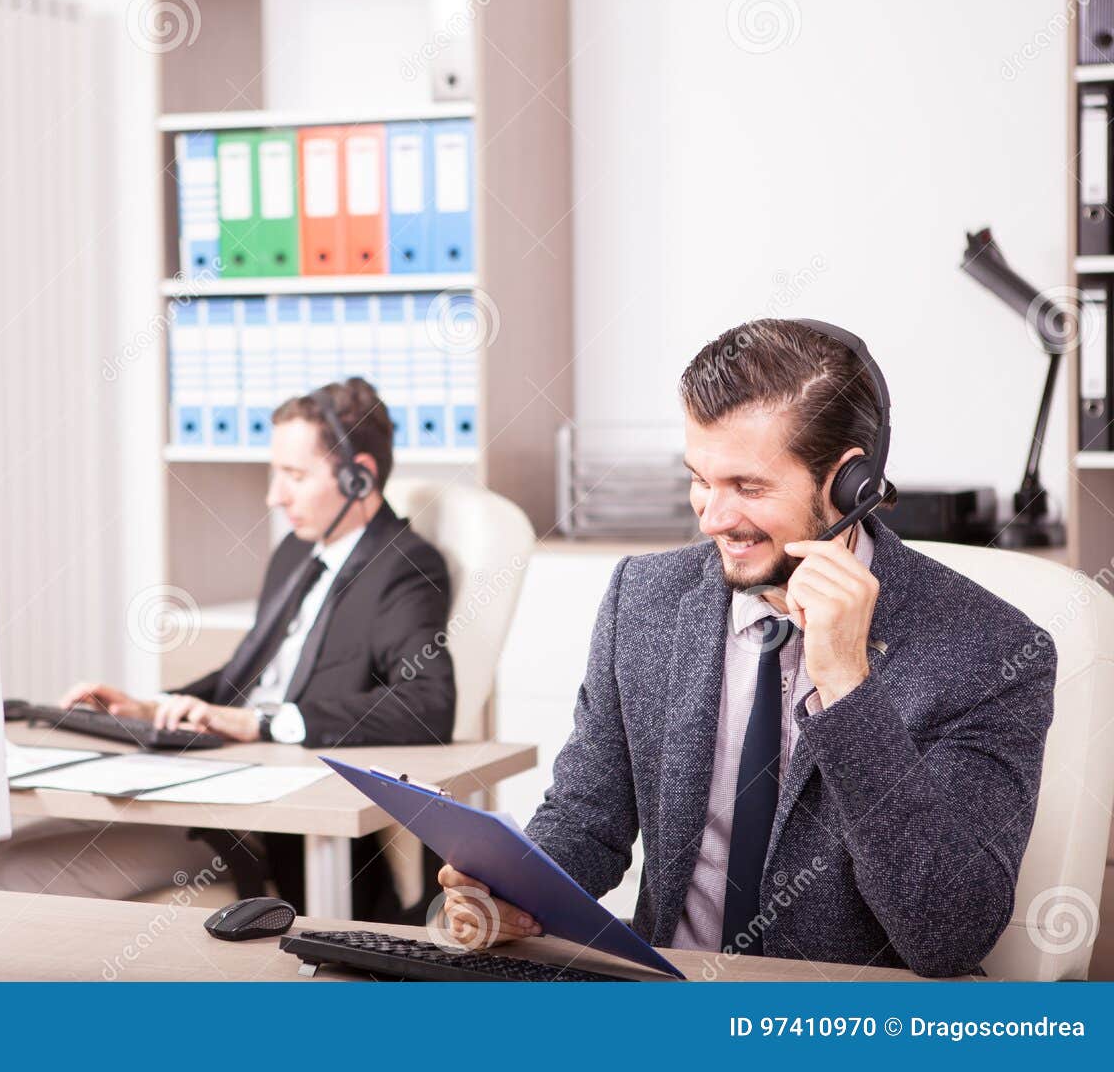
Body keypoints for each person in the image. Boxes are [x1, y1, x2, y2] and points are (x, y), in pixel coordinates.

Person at [438, 318, 1055, 978]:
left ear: (851, 483)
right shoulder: (642, 599)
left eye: (747, 486)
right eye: (700, 478)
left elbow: (950, 932)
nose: (710, 516)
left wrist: (849, 687)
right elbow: (589, 818)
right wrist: (513, 893)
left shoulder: (991, 651)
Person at [0, 377, 456, 917]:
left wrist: (262, 723)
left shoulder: (403, 567)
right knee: (10, 851)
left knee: (18, 871)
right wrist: (151, 708)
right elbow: (244, 676)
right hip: (220, 790)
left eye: (294, 476)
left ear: (359, 477)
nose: (274, 496)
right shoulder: (295, 556)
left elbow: (427, 705)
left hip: (275, 824)